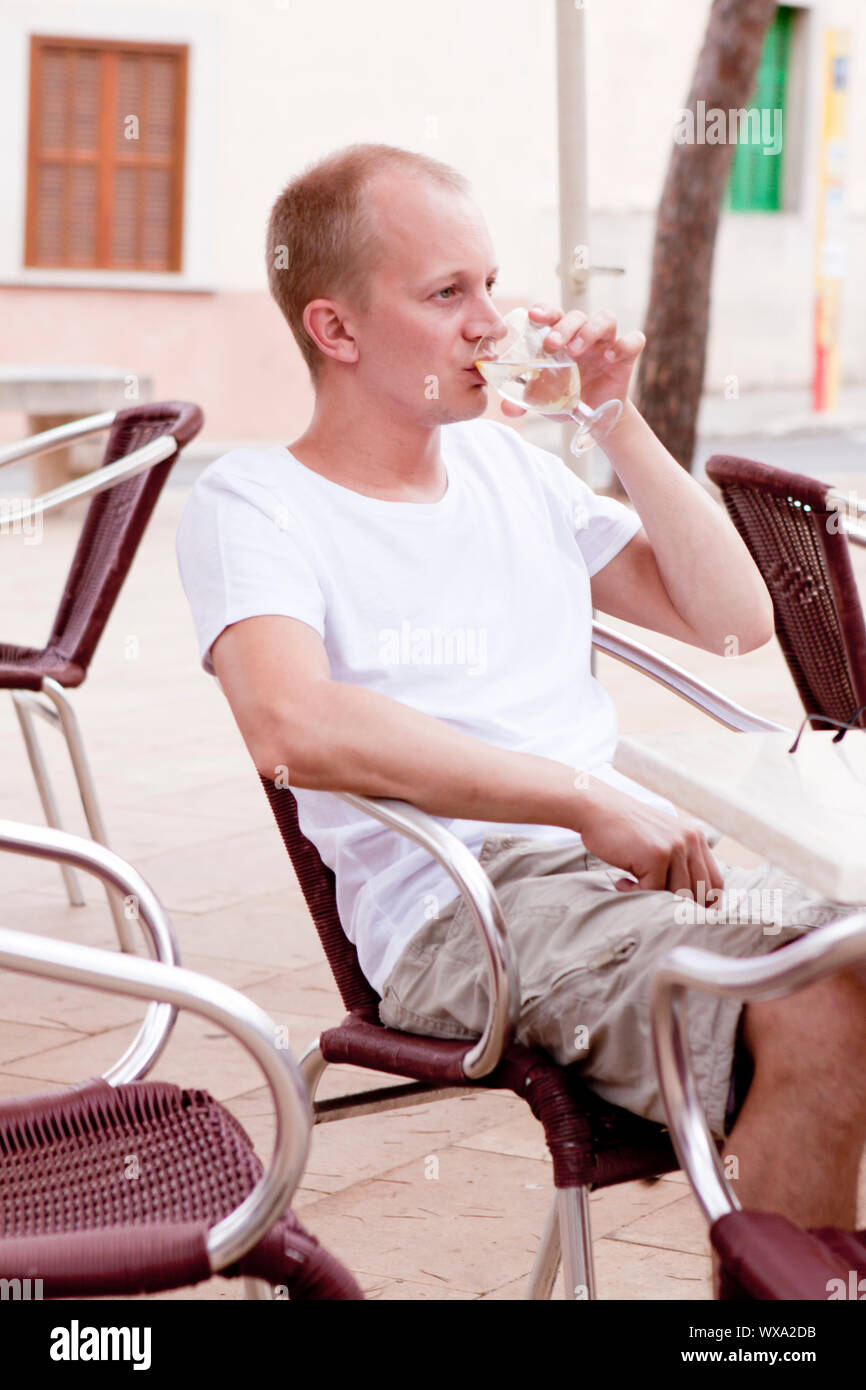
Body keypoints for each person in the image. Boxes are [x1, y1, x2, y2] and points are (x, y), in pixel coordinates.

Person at [175, 143, 866, 1289]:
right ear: (337, 331)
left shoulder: (511, 472)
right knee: (819, 990)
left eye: (490, 285)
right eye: (448, 294)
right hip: (471, 913)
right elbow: (291, 723)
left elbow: (738, 622)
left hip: (624, 884)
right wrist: (578, 799)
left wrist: (613, 419)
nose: (491, 322)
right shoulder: (258, 502)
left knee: (838, 959)